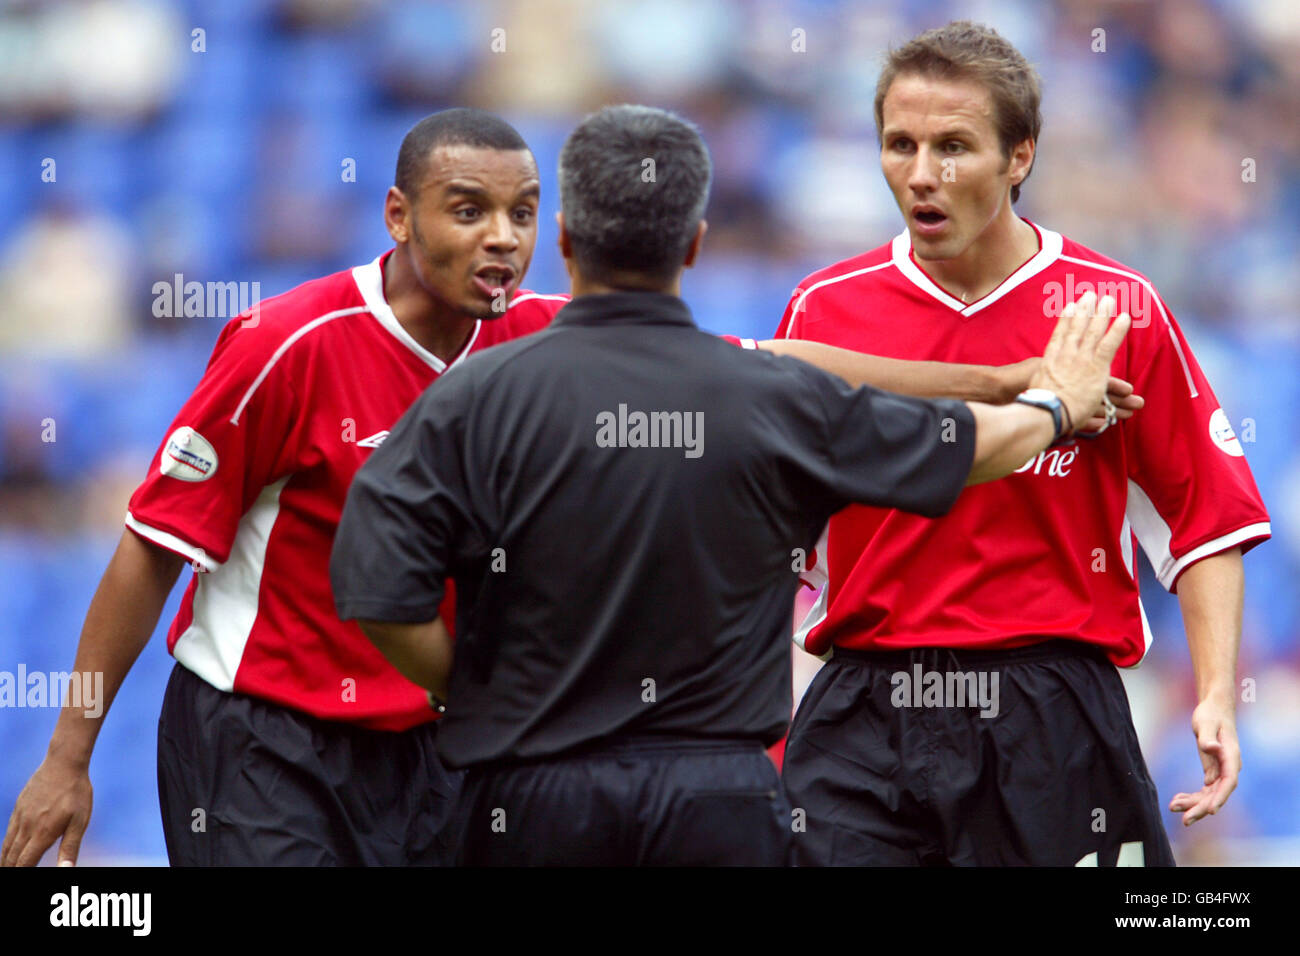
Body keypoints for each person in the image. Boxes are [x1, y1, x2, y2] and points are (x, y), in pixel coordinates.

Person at [0, 105, 1100, 868]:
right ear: (397, 217)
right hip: (265, 736)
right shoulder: (288, 343)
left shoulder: (532, 339)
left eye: (521, 214)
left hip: (434, 744)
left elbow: (771, 366)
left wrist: (1000, 373)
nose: (500, 240)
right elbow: (151, 544)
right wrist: (65, 754)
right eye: (467, 210)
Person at [329, 103, 1132, 867]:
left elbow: (372, 587)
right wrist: (1054, 406)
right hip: (719, 801)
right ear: (694, 245)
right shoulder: (766, 401)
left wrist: (470, 687)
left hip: (526, 797)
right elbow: (966, 452)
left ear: (567, 242)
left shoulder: (469, 401)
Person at [776, 21, 1271, 866]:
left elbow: (1206, 522)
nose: (922, 174)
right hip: (865, 708)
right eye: (901, 144)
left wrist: (1217, 693)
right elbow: (776, 539)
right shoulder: (825, 311)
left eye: (955, 146)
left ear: (1021, 157)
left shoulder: (1119, 307)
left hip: (1051, 712)